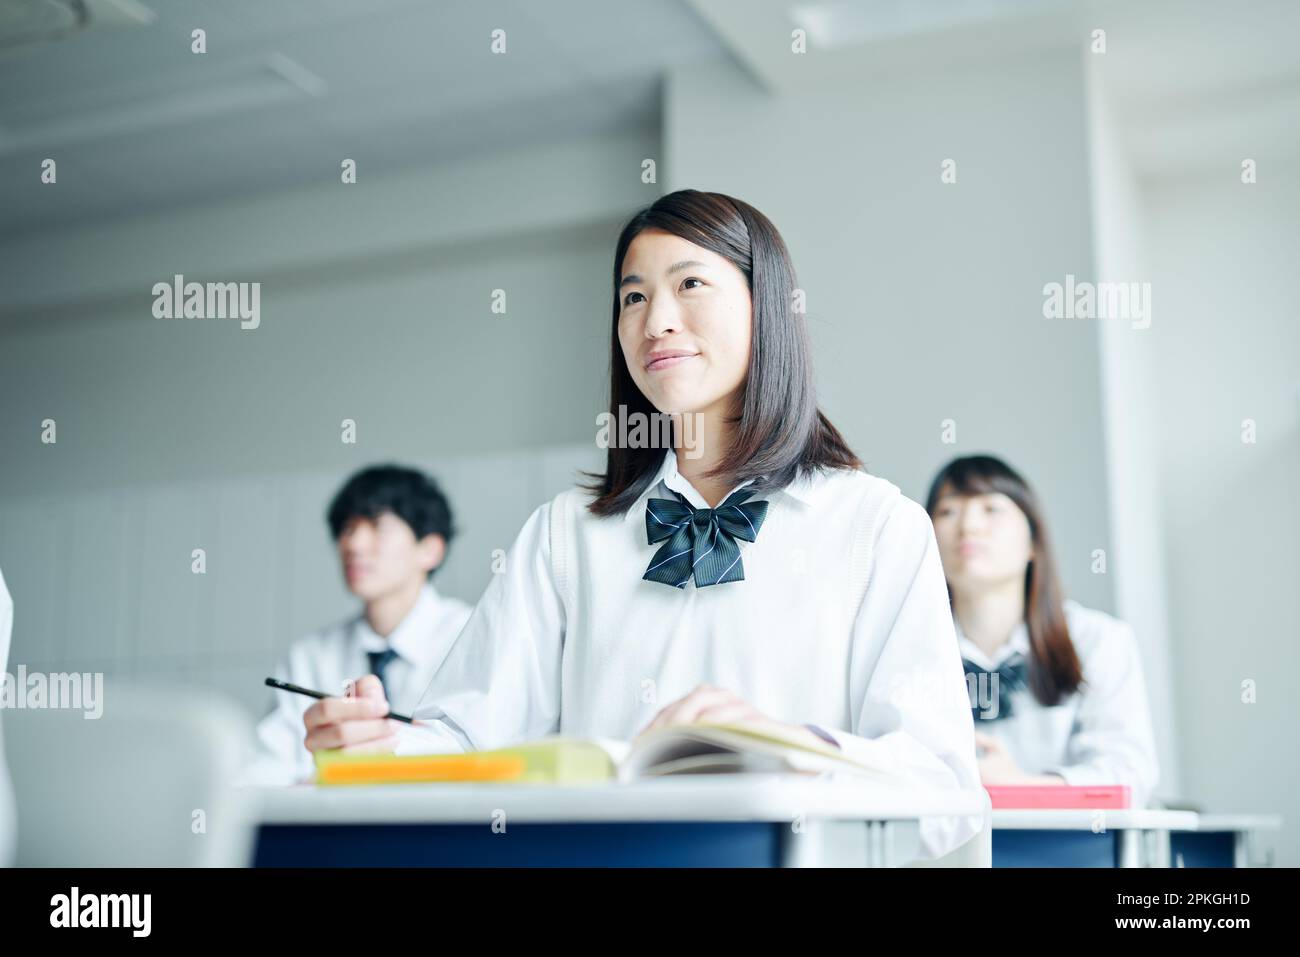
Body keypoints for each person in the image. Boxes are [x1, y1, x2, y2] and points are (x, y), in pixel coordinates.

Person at [301, 190, 983, 858]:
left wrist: (792, 751)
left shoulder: (876, 525)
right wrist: (380, 743)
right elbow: (470, 738)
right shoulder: (565, 532)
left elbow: (942, 787)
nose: (656, 320)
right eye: (633, 296)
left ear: (766, 307)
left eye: (689, 284)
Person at [926, 454, 1159, 805]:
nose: (969, 526)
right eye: (947, 512)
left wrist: (1023, 787)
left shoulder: (1096, 640)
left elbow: (1129, 774)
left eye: (991, 509)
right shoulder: (908, 647)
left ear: (1034, 541)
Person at [240, 465, 472, 785]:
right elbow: (265, 772)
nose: (354, 545)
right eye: (347, 529)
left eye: (378, 526)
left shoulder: (471, 638)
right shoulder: (310, 657)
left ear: (430, 549)